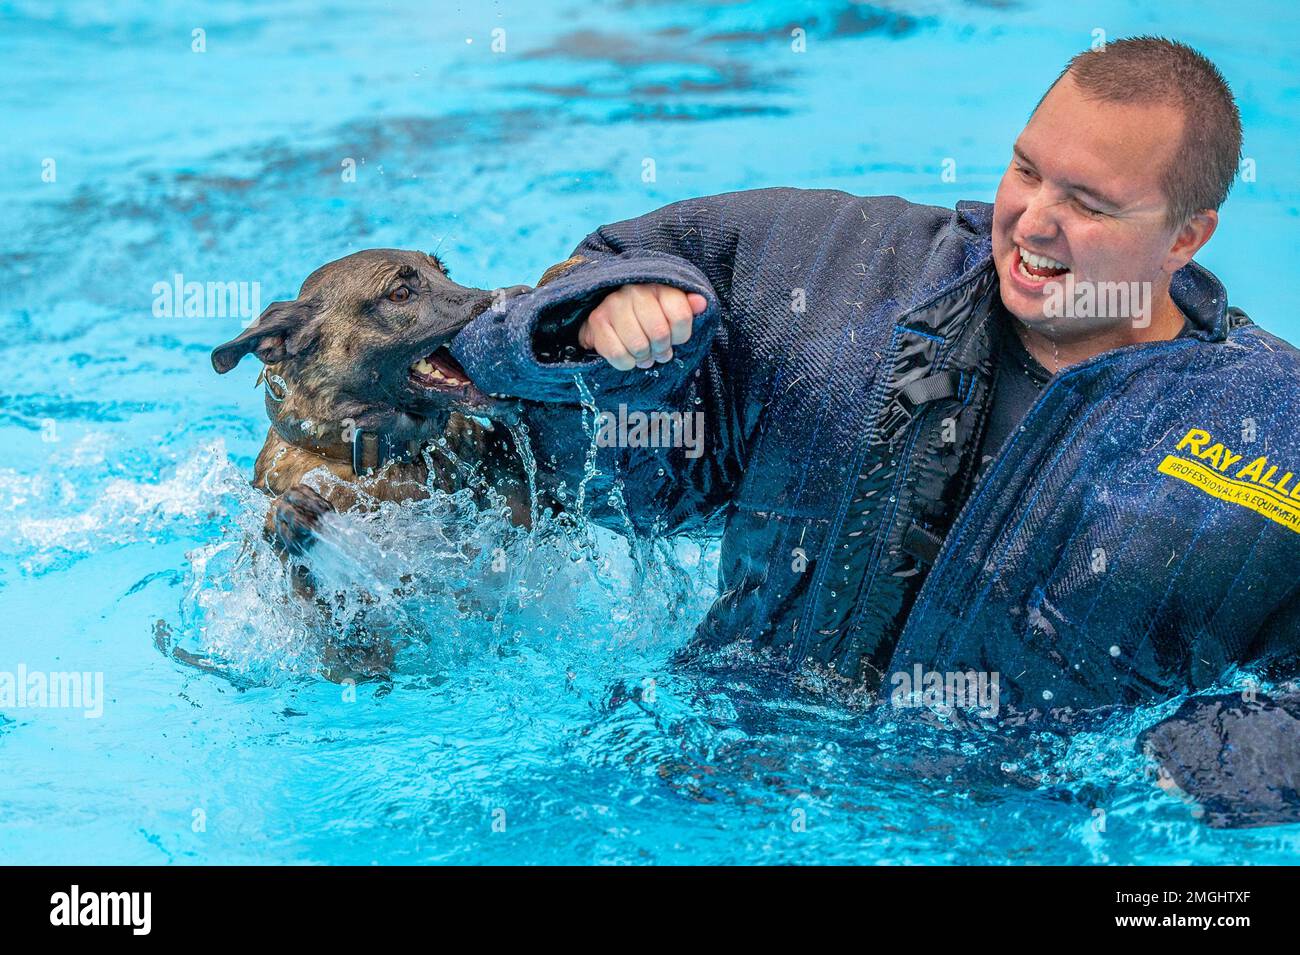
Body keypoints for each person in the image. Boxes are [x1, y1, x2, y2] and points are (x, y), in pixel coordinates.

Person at [450, 37, 1300, 713]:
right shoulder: (838, 274)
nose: (1034, 221)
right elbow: (546, 381)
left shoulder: (1270, 434)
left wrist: (1226, 759)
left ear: (1187, 237)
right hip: (728, 771)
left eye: (1089, 204)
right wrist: (602, 326)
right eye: (1027, 170)